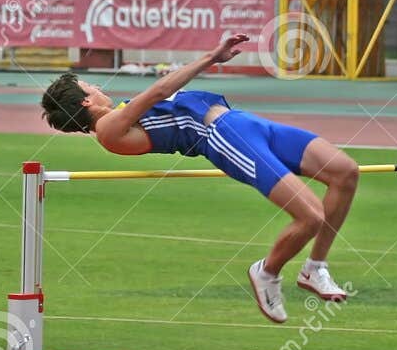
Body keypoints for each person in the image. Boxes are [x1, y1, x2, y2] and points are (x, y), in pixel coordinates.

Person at [39, 34, 359, 324]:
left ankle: (315, 267)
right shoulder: (108, 129)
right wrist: (211, 57)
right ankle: (268, 272)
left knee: (345, 172)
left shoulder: (116, 117)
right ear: (85, 102)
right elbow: (160, 90)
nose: (98, 88)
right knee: (311, 215)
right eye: (90, 88)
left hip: (243, 123)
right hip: (222, 135)